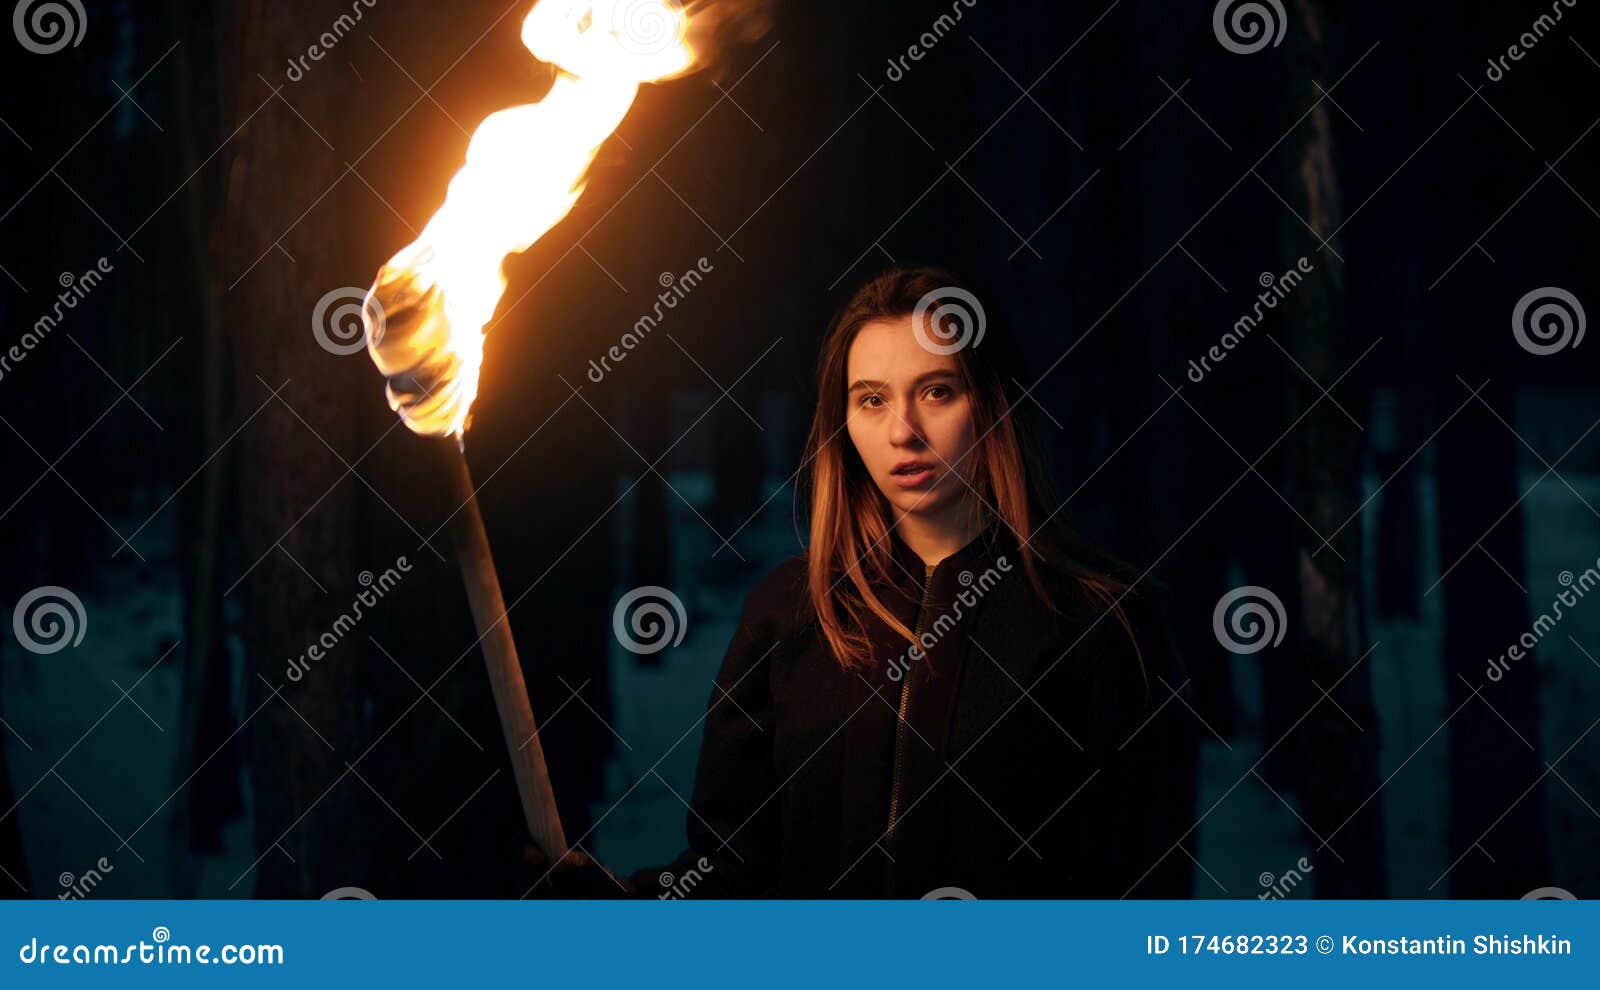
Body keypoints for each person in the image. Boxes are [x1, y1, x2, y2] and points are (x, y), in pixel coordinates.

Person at [532, 264, 1196, 898]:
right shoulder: (790, 613)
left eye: (937, 391)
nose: (903, 431)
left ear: (993, 403)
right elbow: (732, 877)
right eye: (871, 400)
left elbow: (1142, 903)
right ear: (842, 424)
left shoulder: (1103, 626)